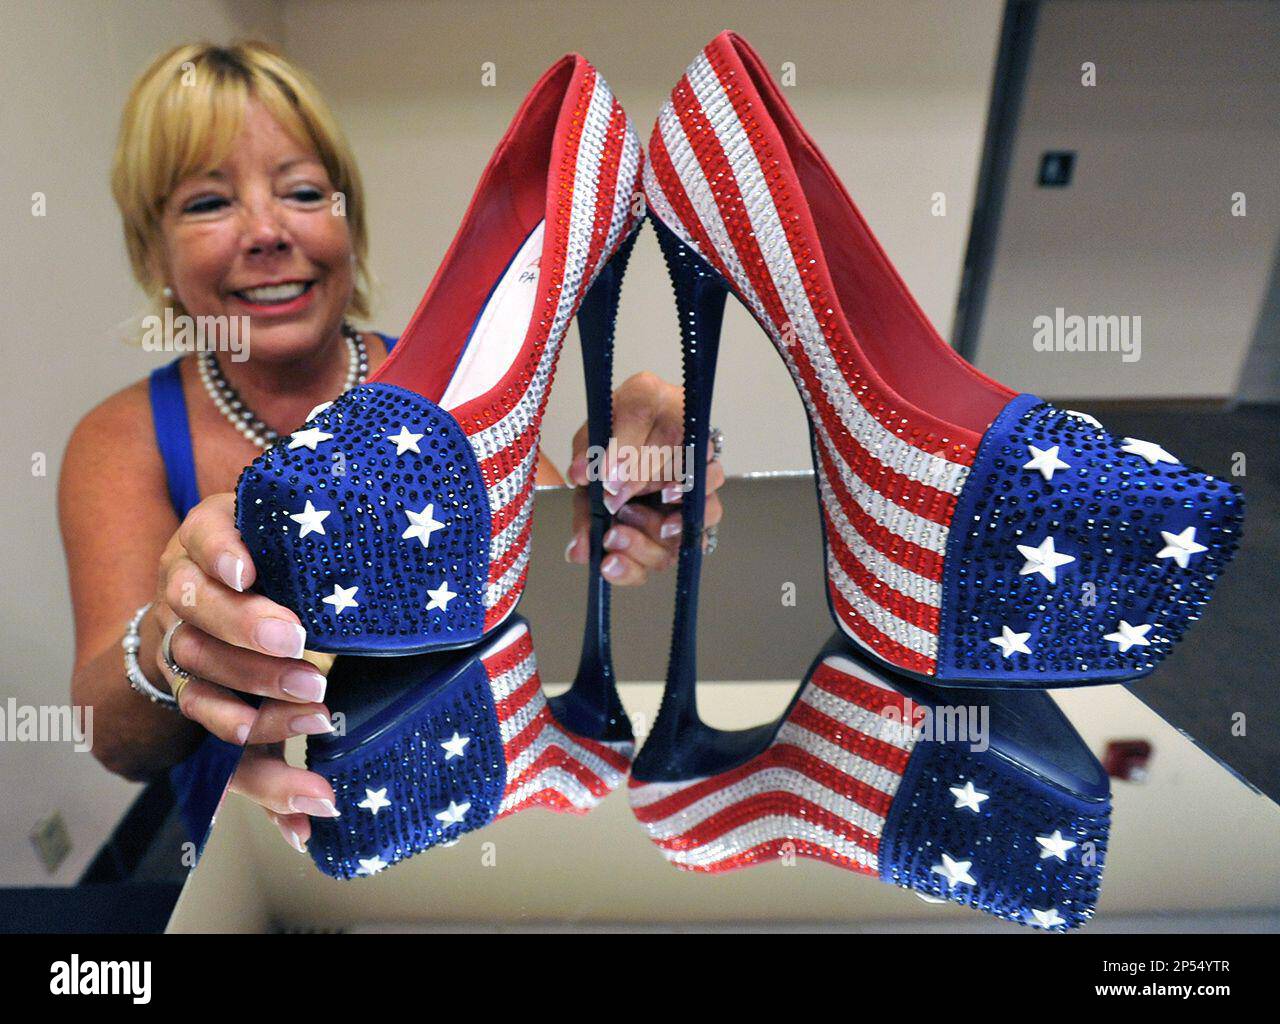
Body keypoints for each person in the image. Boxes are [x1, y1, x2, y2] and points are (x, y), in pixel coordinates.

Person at [59, 41, 723, 852]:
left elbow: (542, 610)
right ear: (152, 250)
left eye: (303, 192)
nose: (267, 231)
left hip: (468, 809)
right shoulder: (121, 437)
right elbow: (112, 740)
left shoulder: (459, 397)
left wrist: (616, 492)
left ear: (348, 219)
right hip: (250, 852)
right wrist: (175, 641)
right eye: (207, 204)